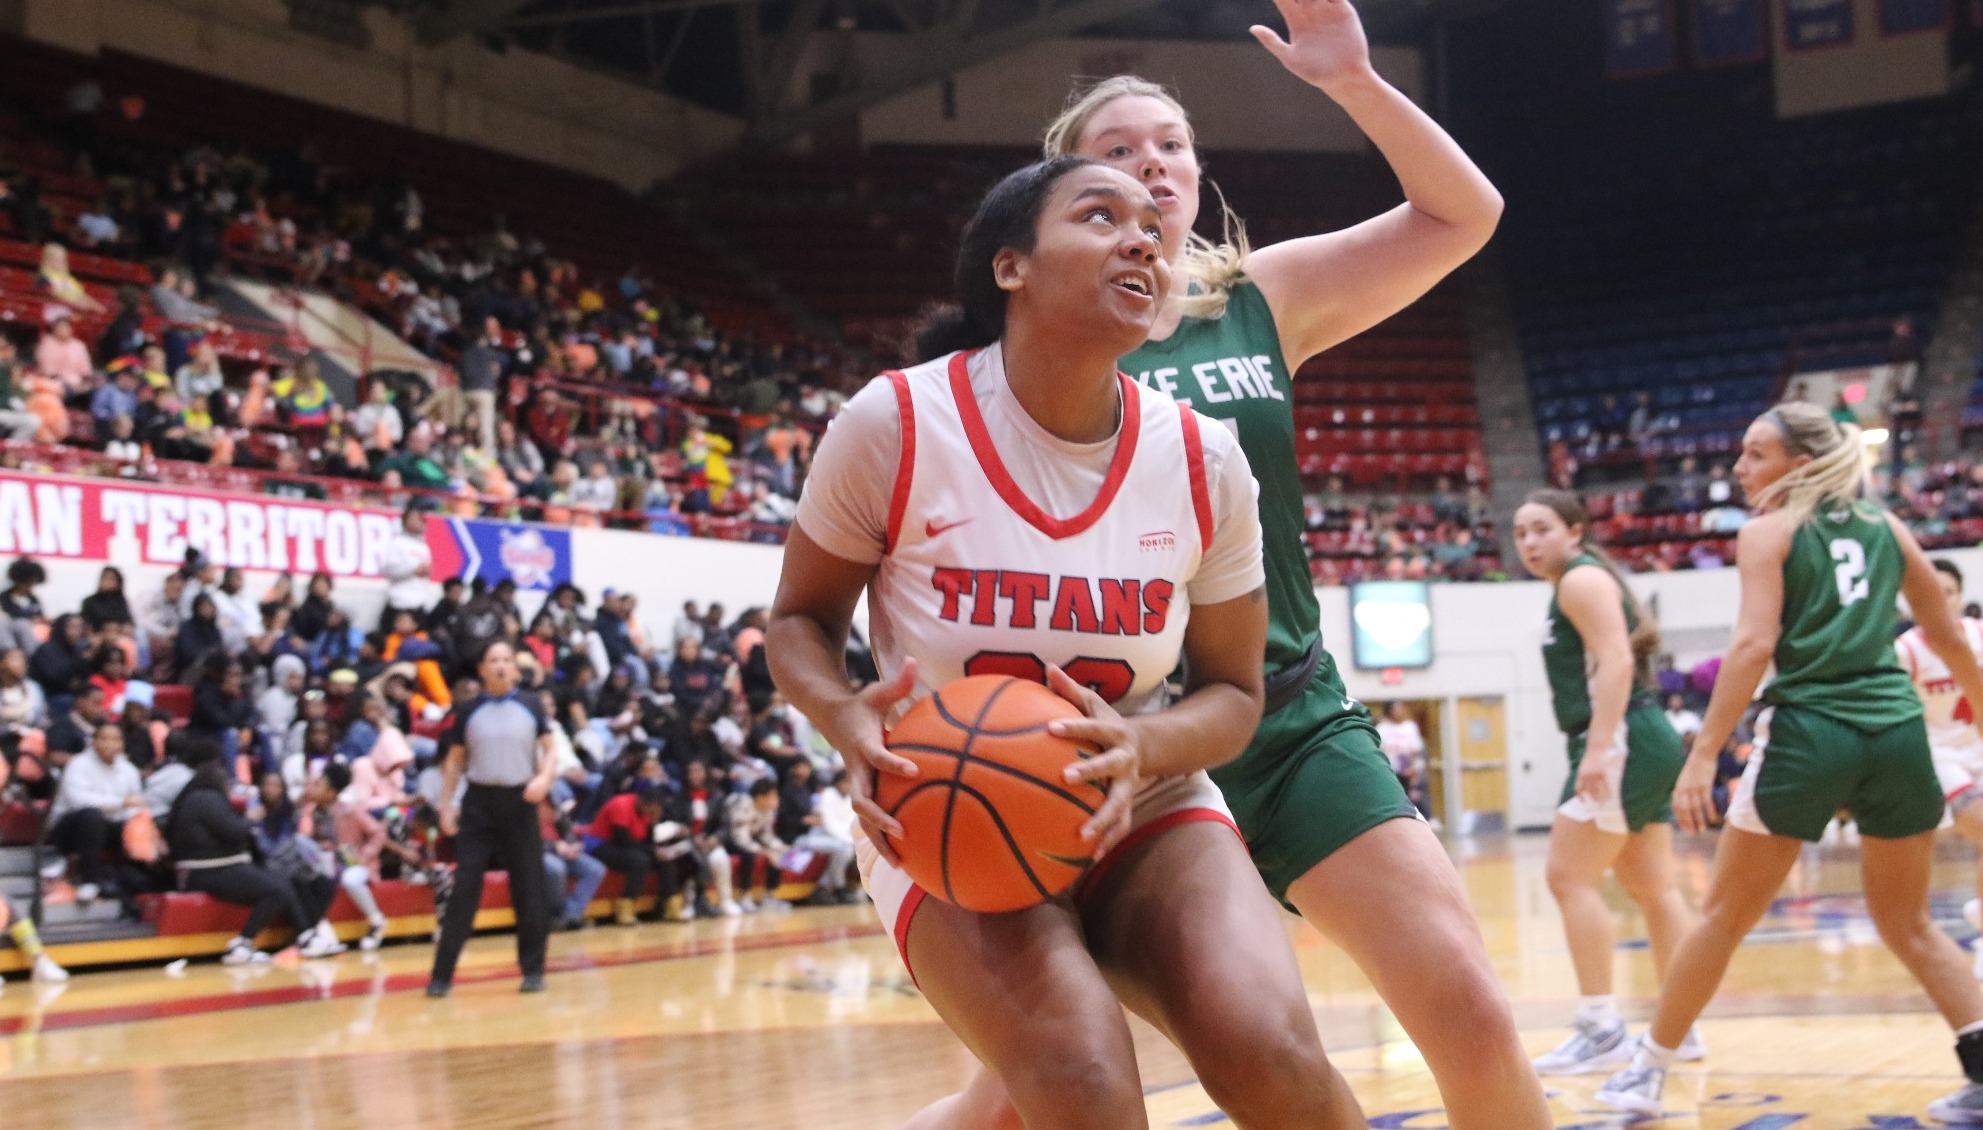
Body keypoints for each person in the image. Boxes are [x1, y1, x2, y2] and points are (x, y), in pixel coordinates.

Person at [901, 3, 1544, 1124]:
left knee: (1470, 1005)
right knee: (1018, 1100)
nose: (1153, 159)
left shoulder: (1260, 298)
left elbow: (1463, 214)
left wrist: (1353, 83)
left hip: (1286, 720)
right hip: (1105, 751)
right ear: (1063, 192)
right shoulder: (1017, 351)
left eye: (1173, 142)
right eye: (1118, 149)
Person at [769, 156, 1365, 1129]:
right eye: (1101, 215)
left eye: (1150, 226)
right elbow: (799, 621)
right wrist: (844, 715)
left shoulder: (1205, 457)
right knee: (1078, 1074)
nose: (1142, 237)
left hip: (1146, 795)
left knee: (1272, 1048)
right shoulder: (898, 422)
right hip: (941, 801)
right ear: (1012, 266)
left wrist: (1142, 746)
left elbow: (1234, 695)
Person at [1596, 402, 1983, 1124]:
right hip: (1897, 735)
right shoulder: (1886, 526)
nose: (1738, 468)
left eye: (1754, 454)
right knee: (1909, 925)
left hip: (1811, 731)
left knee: (1720, 916)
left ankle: (1645, 1073)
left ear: (1798, 465)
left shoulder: (1767, 533)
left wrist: (1701, 753)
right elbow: (1950, 639)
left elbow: (1749, 647)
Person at [1511, 490, 1700, 1074]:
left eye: (1541, 528)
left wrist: (1597, 748)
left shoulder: (1579, 581)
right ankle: (1680, 1028)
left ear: (1575, 531)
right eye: (1520, 533)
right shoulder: (1576, 583)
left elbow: (1617, 662)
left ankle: (1600, 1028)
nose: (1530, 542)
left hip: (1621, 740)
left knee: (1568, 877)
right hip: (1637, 737)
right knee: (1651, 884)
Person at [427, 641, 558, 997]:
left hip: (519, 805)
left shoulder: (531, 704)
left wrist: (543, 780)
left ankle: (533, 970)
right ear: (482, 669)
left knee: (529, 889)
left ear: (515, 668)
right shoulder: (468, 710)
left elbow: (550, 750)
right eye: (493, 661)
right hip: (479, 806)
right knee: (464, 890)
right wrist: (446, 805)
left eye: (506, 660)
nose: (500, 666)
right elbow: (454, 761)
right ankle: (441, 976)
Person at [165, 741, 339, 965]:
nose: (229, 787)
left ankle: (306, 936)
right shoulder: (208, 799)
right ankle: (243, 943)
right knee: (277, 889)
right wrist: (251, 820)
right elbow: (234, 832)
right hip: (210, 870)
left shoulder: (193, 799)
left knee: (282, 882)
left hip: (211, 868)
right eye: (227, 782)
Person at [1892, 559, 1983, 976]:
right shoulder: (1906, 650)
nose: (1941, 600)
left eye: (1948, 592)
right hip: (1939, 752)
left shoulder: (1980, 636)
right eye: (1932, 592)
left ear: (1960, 595)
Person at [46, 723, 145, 910]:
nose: (110, 744)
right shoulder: (77, 764)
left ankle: (140, 885)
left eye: (116, 739)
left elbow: (136, 803)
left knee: (141, 821)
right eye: (104, 739)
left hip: (108, 825)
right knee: (92, 816)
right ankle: (89, 881)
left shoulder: (129, 770)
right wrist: (121, 803)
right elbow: (79, 801)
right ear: (93, 742)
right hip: (69, 828)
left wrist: (133, 814)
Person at [584, 779, 678, 925]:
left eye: (655, 812)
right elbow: (622, 839)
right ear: (642, 802)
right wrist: (652, 852)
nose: (651, 815)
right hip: (601, 844)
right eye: (651, 811)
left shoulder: (648, 813)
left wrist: (653, 827)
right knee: (640, 861)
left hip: (628, 846)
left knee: (664, 860)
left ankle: (670, 906)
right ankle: (625, 909)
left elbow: (647, 842)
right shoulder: (621, 804)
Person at [1374, 701, 1428, 817]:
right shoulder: (1382, 728)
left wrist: (1413, 771)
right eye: (1396, 708)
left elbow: (1415, 750)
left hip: (1409, 770)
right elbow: (1379, 750)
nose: (1399, 711)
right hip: (1390, 771)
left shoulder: (1410, 727)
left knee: (1415, 799)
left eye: (1401, 708)